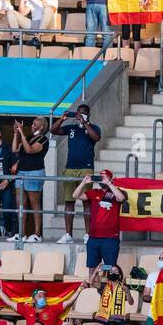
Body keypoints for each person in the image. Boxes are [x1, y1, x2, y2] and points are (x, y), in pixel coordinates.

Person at [52, 103, 101, 244]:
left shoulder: (93, 127)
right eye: (78, 113)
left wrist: (84, 122)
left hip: (86, 168)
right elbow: (53, 130)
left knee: (86, 201)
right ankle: (68, 234)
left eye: (82, 112)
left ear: (88, 114)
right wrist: (62, 119)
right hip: (70, 168)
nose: (79, 115)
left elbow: (96, 138)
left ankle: (88, 234)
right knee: (69, 202)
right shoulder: (71, 128)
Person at [74, 170, 125, 270]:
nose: (102, 179)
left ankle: (103, 271)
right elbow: (75, 195)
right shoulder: (94, 192)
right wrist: (83, 182)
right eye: (100, 177)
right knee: (92, 268)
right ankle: (94, 283)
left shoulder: (116, 191)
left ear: (111, 179)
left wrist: (109, 184)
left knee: (110, 268)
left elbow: (121, 198)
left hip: (110, 238)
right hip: (93, 237)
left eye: (105, 177)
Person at [10, 117, 48, 242]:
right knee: (20, 203)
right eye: (32, 123)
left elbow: (29, 150)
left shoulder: (43, 139)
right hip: (21, 172)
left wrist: (21, 133)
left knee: (35, 203)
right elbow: (15, 149)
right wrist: (16, 133)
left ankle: (37, 234)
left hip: (34, 173)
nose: (31, 126)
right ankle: (21, 233)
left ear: (41, 127)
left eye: (34, 124)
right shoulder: (29, 137)